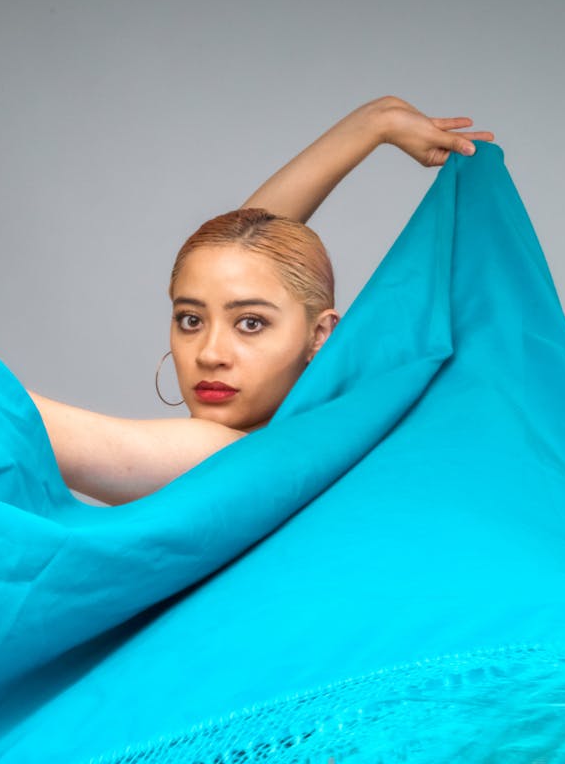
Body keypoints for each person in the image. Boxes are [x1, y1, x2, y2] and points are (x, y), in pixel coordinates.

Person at [24, 96, 494, 506]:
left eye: (250, 324)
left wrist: (374, 123)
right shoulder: (334, 432)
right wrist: (374, 123)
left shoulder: (228, 456)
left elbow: (6, 413)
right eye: (190, 319)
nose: (210, 354)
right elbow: (246, 252)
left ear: (320, 335)